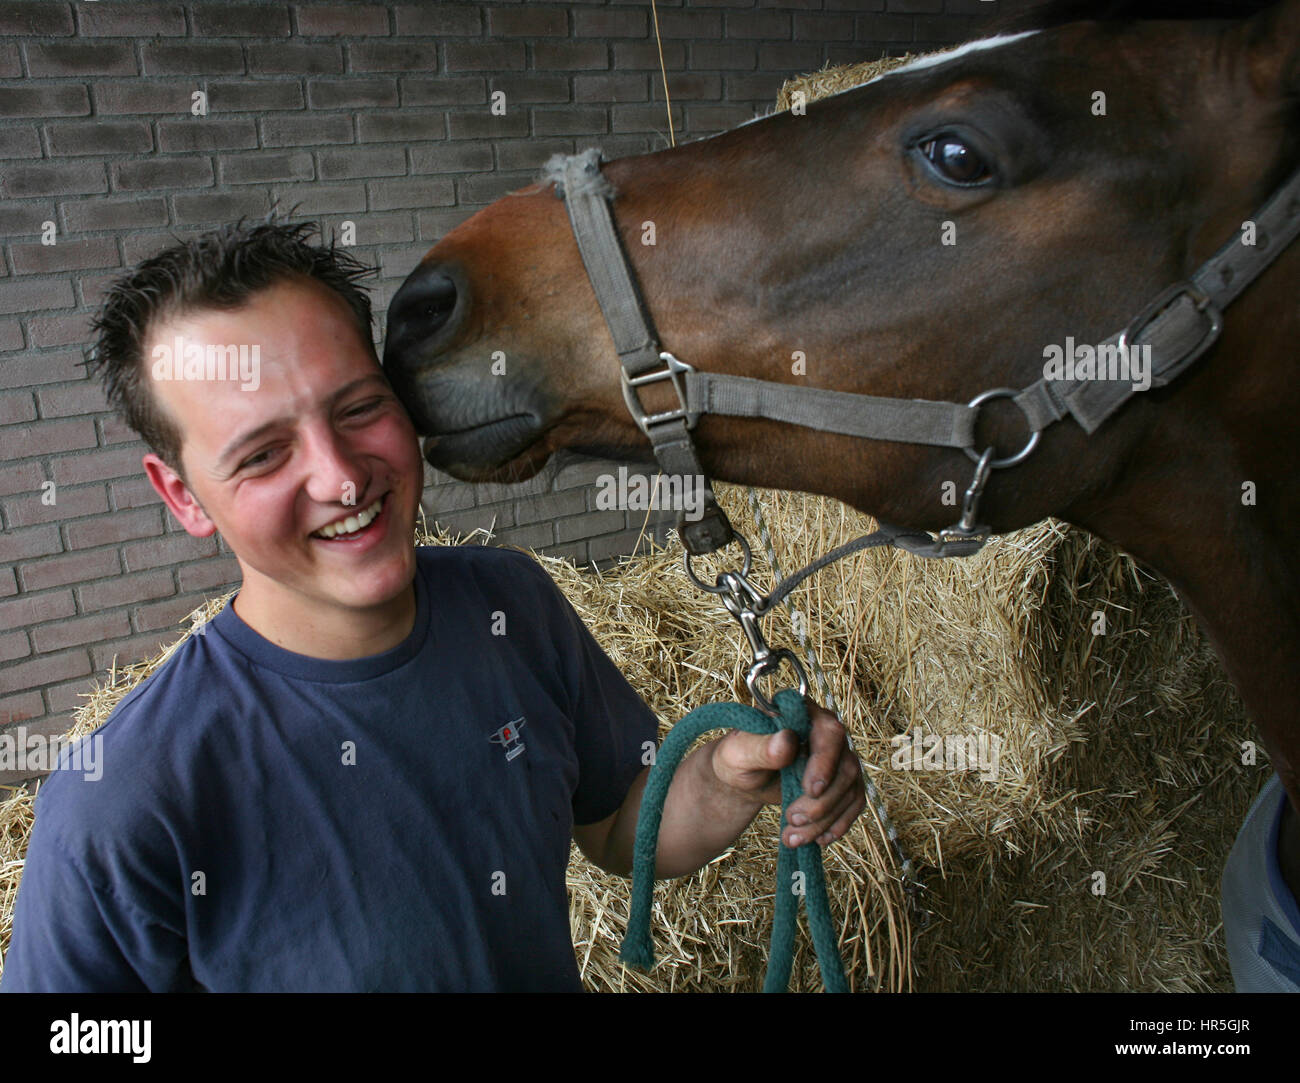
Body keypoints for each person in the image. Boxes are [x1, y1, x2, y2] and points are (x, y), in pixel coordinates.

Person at [0, 219, 866, 992]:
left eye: (360, 408)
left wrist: (724, 778)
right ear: (183, 494)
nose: (341, 477)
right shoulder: (122, 799)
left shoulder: (512, 604)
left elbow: (618, 825)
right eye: (263, 454)